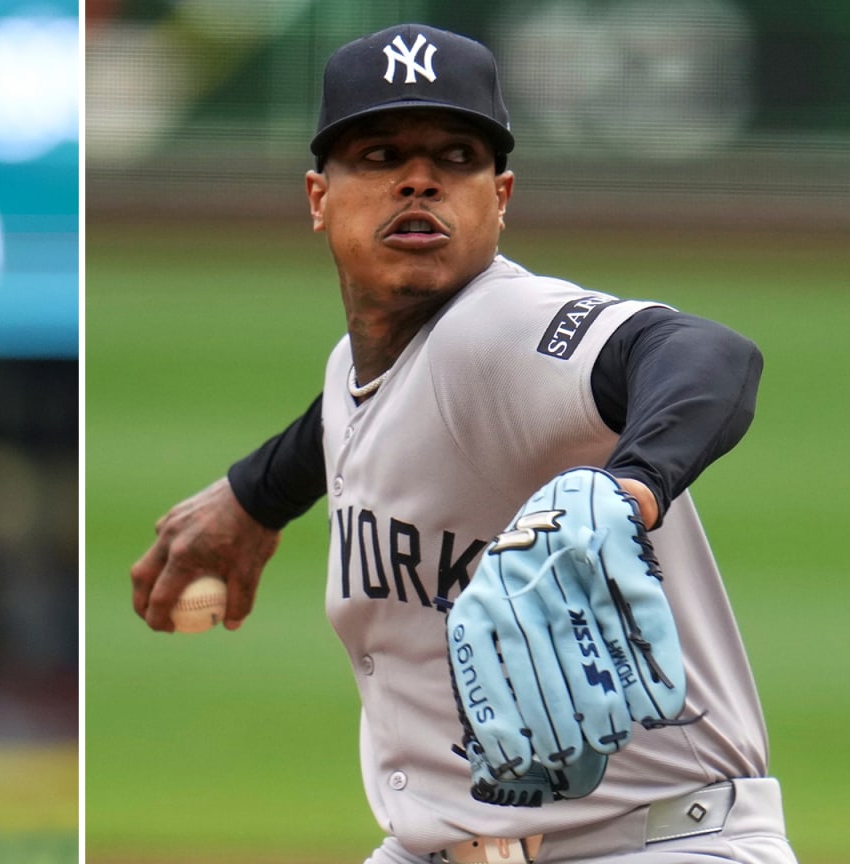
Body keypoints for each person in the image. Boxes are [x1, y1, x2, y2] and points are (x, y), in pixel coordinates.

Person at [130, 23, 795, 864]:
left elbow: (707, 354)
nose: (419, 179)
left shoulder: (502, 328)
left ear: (501, 195)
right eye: (378, 156)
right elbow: (360, 411)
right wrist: (254, 495)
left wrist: (632, 487)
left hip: (651, 845)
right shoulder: (368, 364)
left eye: (455, 157)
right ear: (317, 197)